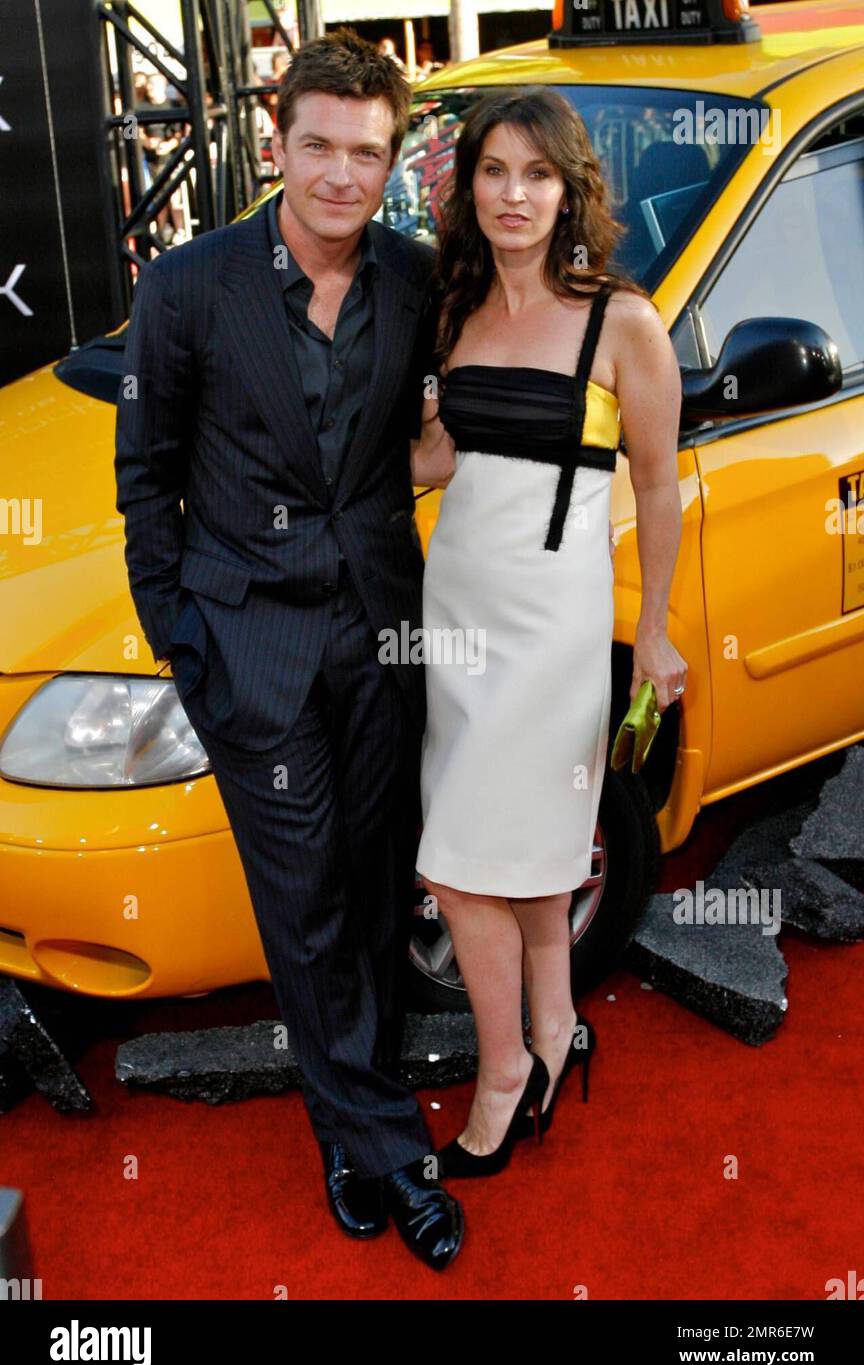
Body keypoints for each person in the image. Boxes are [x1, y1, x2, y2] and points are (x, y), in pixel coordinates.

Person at [114, 29, 463, 1271]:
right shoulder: (189, 287)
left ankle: (337, 1118)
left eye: (367, 152)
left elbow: (474, 393)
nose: (340, 173)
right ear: (276, 146)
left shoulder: (419, 282)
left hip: (381, 634)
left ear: (391, 160)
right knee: (304, 898)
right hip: (249, 653)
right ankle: (390, 1150)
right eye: (318, 144)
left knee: (373, 886)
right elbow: (145, 481)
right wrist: (185, 647)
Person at [410, 86, 687, 1177]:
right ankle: (556, 1027)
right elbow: (445, 468)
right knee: (525, 862)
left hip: (555, 631)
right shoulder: (455, 309)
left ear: (571, 191)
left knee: (463, 868)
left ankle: (503, 1075)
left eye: (537, 175)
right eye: (494, 171)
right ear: (466, 183)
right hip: (458, 615)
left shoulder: (623, 320)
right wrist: (409, 450)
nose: (513, 195)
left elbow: (658, 489)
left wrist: (654, 636)